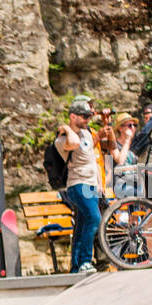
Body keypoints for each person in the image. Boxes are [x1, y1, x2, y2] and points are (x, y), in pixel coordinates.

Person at [53, 98, 101, 273]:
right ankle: (85, 261)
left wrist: (99, 184)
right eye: (84, 116)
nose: (88, 119)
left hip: (90, 185)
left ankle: (76, 266)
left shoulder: (87, 133)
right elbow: (73, 144)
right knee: (94, 218)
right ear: (73, 116)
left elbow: (93, 160)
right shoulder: (62, 139)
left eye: (89, 116)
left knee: (82, 225)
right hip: (77, 184)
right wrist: (66, 128)